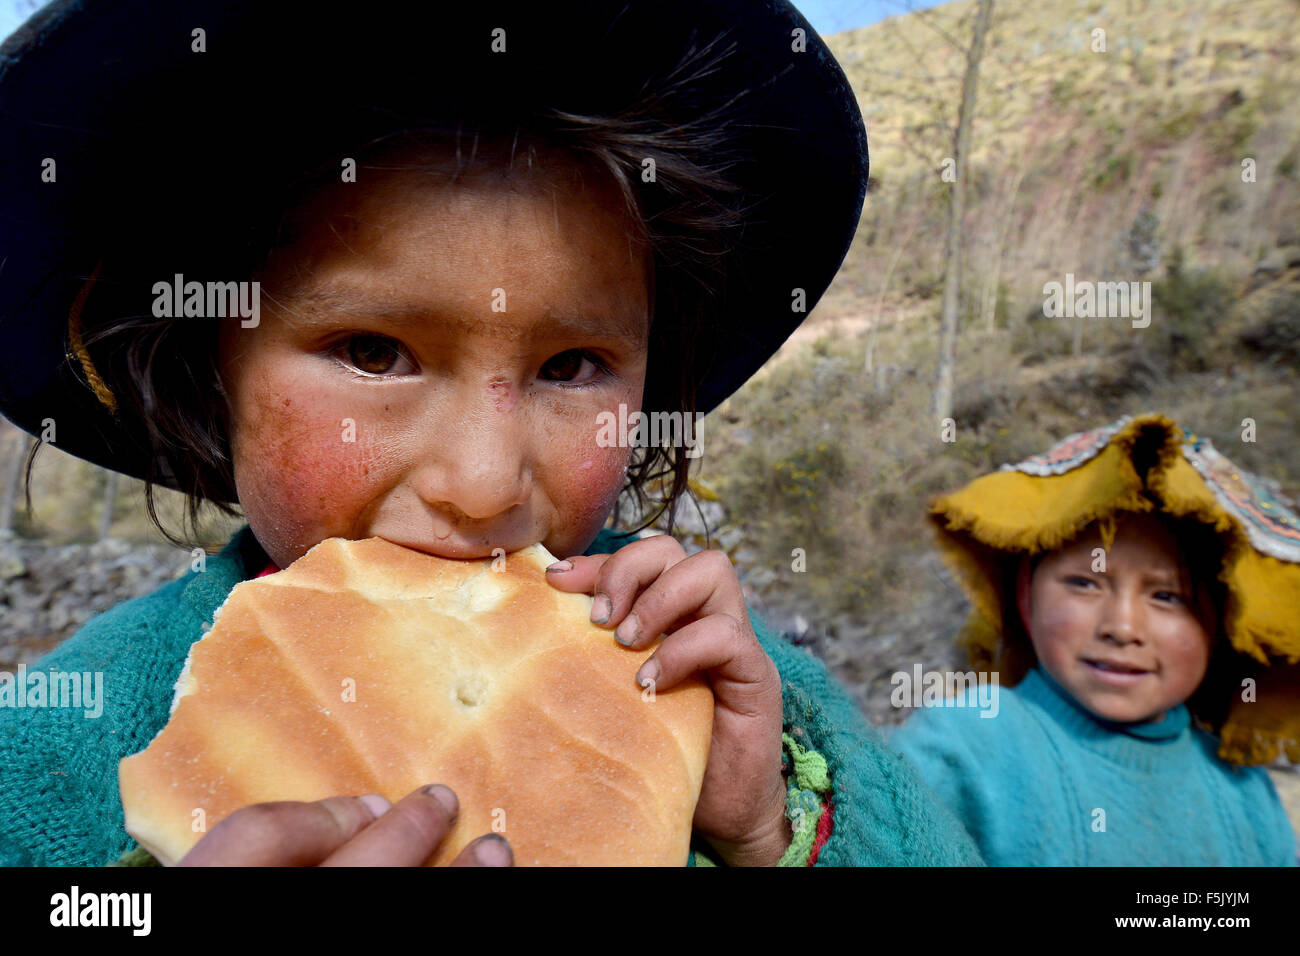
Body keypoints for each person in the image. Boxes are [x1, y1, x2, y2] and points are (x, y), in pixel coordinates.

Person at [0, 0, 983, 867]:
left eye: (569, 366)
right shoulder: (66, 737)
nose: (482, 484)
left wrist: (768, 832)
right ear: (208, 368)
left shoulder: (720, 684)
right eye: (373, 351)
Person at [889, 414, 1300, 865]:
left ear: (1220, 626)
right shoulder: (967, 744)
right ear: (1026, 598)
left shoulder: (1243, 790)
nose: (1122, 628)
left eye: (1167, 596)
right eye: (1085, 584)